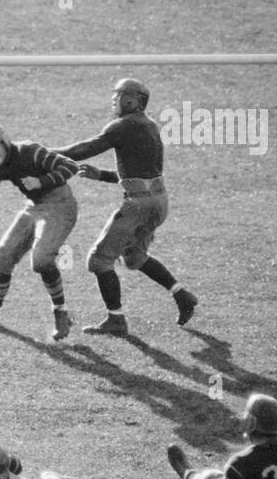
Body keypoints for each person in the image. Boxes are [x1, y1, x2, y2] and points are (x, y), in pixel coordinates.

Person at [55, 78, 198, 336]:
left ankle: (116, 320)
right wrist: (103, 175)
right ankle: (182, 294)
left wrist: (45, 154)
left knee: (99, 260)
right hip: (158, 202)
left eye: (118, 95)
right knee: (134, 256)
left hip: (138, 205)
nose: (113, 99)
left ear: (131, 99)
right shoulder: (149, 125)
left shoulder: (122, 125)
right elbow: (141, 170)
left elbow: (87, 148)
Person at [0, 122, 79, 341]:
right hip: (34, 206)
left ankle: (61, 312)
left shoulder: (30, 151)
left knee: (42, 259)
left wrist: (41, 180)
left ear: (5, 141)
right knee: (0, 258)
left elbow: (70, 166)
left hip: (61, 205)